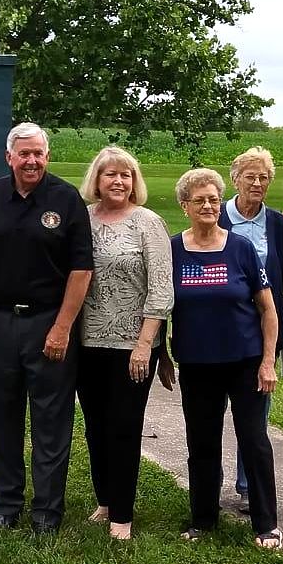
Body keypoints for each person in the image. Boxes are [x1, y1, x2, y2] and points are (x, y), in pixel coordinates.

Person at [0, 123, 92, 534]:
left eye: (38, 153)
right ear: (9, 157)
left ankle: (46, 511)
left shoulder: (66, 200)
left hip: (48, 322)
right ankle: (6, 503)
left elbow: (81, 269)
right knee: (2, 417)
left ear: (47, 156)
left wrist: (62, 327)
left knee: (51, 420)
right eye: (24, 154)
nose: (31, 160)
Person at [164, 168, 281, 549]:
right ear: (185, 206)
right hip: (197, 364)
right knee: (201, 442)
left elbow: (267, 309)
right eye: (199, 200)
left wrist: (267, 362)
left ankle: (265, 524)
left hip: (244, 361)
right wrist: (162, 355)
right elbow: (158, 307)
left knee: (253, 440)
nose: (209, 205)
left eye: (214, 198)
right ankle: (202, 519)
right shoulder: (173, 249)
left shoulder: (240, 248)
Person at [75, 145, 173, 540]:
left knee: (124, 426)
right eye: (110, 174)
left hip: (131, 346)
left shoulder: (148, 223)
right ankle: (104, 500)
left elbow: (161, 288)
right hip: (86, 343)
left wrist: (145, 344)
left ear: (135, 182)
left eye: (126, 175)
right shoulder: (82, 221)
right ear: (96, 180)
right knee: (94, 427)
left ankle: (122, 515)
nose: (118, 181)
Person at [219, 146, 283, 514]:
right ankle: (208, 480)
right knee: (212, 410)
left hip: (263, 328)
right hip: (220, 328)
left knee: (255, 413)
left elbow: (282, 274)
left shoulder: (278, 223)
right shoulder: (215, 215)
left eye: (264, 177)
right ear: (235, 179)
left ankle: (248, 485)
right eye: (251, 176)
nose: (258, 183)